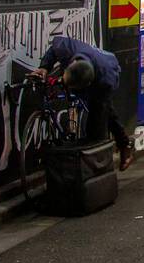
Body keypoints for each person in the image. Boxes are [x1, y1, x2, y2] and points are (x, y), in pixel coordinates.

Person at [37, 36, 134, 170]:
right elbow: (53, 49)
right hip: (86, 65)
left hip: (106, 68)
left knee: (102, 114)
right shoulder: (67, 49)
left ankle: (124, 145)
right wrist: (44, 67)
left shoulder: (106, 79)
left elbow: (103, 96)